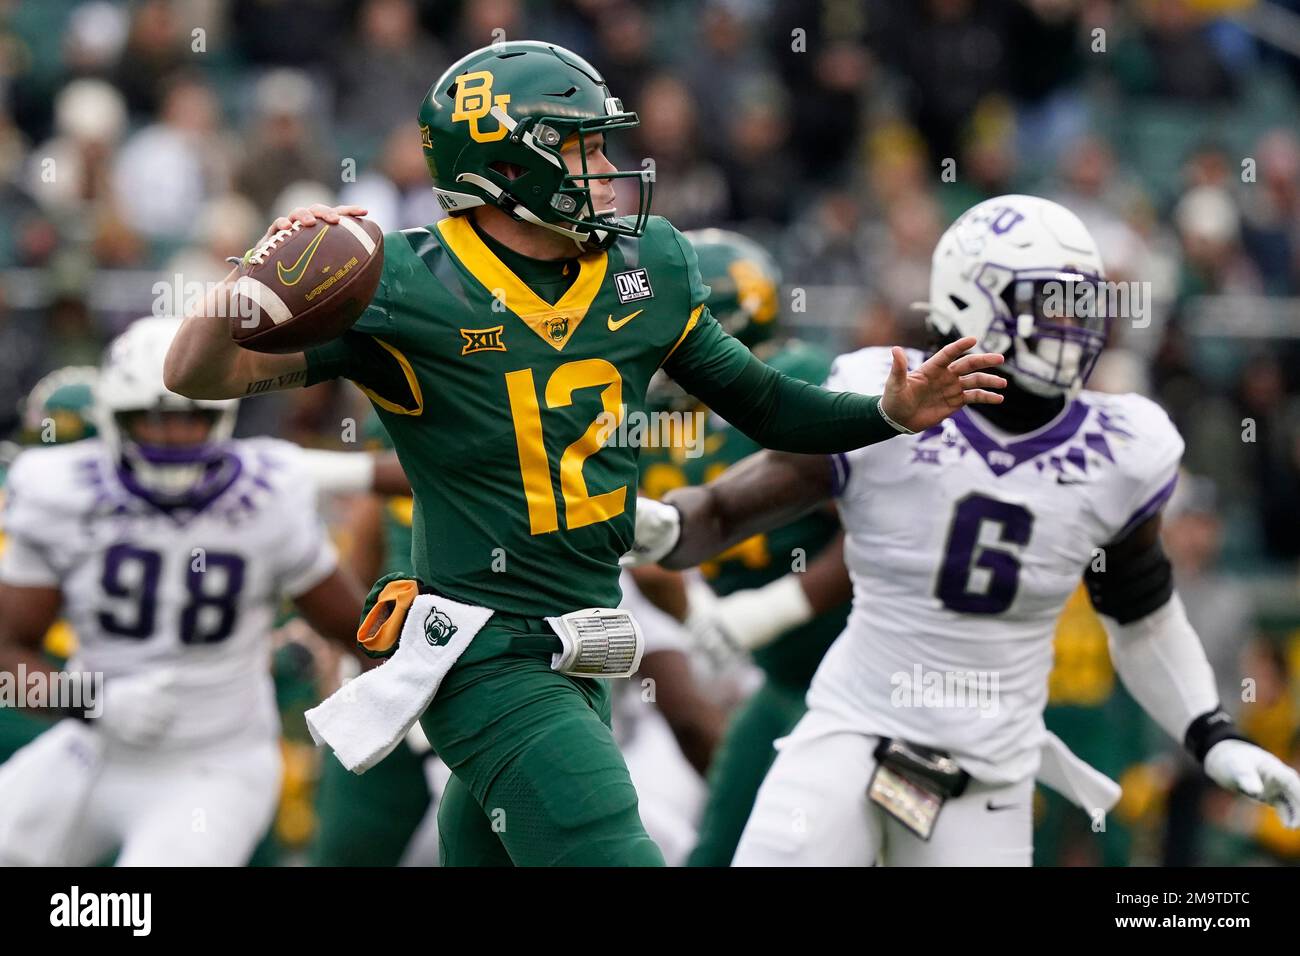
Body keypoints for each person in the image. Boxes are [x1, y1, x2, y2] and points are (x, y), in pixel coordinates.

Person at [163, 40, 1005, 866]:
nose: (607, 166)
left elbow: (768, 406)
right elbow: (200, 374)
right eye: (582, 146)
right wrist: (245, 287)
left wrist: (889, 412)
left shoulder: (649, 266)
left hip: (585, 642)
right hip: (481, 650)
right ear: (507, 165)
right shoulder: (401, 283)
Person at [642, 194, 1300, 865]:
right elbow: (729, 508)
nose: (1070, 325)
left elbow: (1143, 616)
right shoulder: (889, 396)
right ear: (968, 299)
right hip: (852, 730)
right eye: (1046, 303)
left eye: (1080, 304)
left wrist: (1214, 735)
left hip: (985, 769)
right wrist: (657, 525)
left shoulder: (1124, 447)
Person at [0, 318, 366, 865]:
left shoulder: (266, 491)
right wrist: (90, 699)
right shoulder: (57, 490)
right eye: (151, 419)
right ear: (111, 420)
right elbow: (7, 667)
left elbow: (357, 628)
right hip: (93, 748)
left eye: (192, 418)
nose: (173, 436)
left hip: (213, 764)